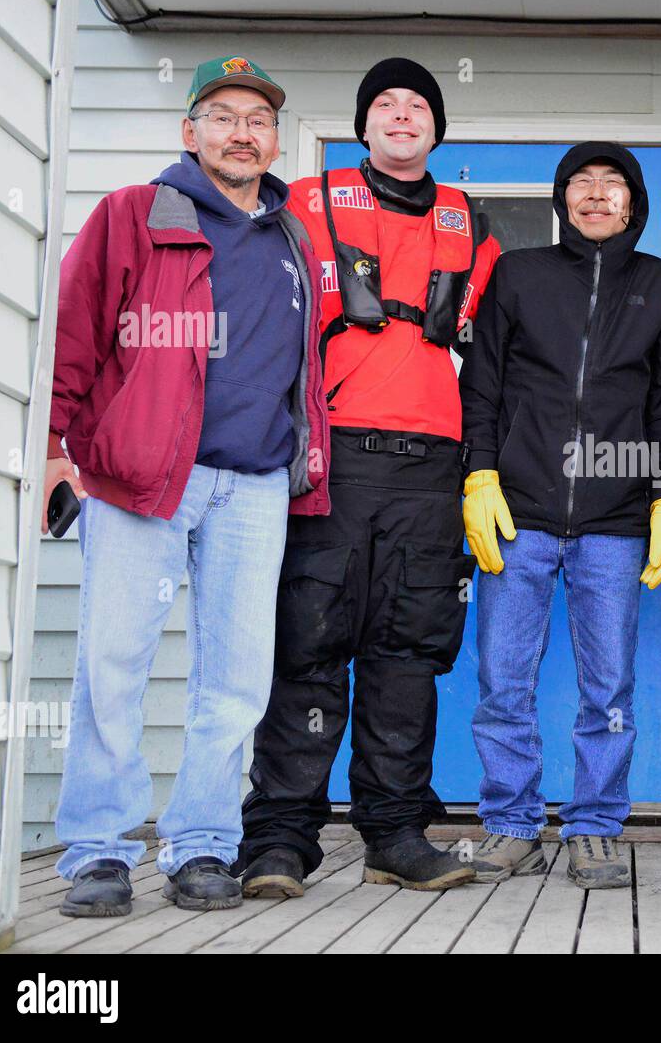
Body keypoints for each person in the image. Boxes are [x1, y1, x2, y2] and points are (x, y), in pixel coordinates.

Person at [49, 56, 329, 916]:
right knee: (114, 664)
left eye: (257, 119)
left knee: (237, 679)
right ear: (190, 131)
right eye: (222, 116)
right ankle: (97, 848)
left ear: (273, 139)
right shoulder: (136, 212)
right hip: (140, 477)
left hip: (252, 486)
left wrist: (305, 468)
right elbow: (74, 332)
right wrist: (59, 449)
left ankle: (204, 843)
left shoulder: (290, 236)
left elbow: (304, 369)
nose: (241, 133)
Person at [238, 58, 500, 895]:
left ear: (436, 129)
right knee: (309, 646)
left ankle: (394, 831)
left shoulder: (472, 223)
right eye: (383, 103)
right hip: (332, 461)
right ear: (363, 125)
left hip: (432, 469)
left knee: (407, 655)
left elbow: (501, 359)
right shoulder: (303, 208)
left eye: (417, 105)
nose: (400, 115)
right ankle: (281, 838)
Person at [459, 142, 661, 889]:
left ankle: (595, 826)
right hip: (518, 511)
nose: (596, 195)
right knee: (502, 676)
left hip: (616, 520)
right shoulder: (519, 275)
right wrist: (479, 472)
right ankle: (510, 823)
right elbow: (484, 385)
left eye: (611, 184)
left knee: (609, 685)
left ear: (634, 203)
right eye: (580, 183)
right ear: (562, 200)